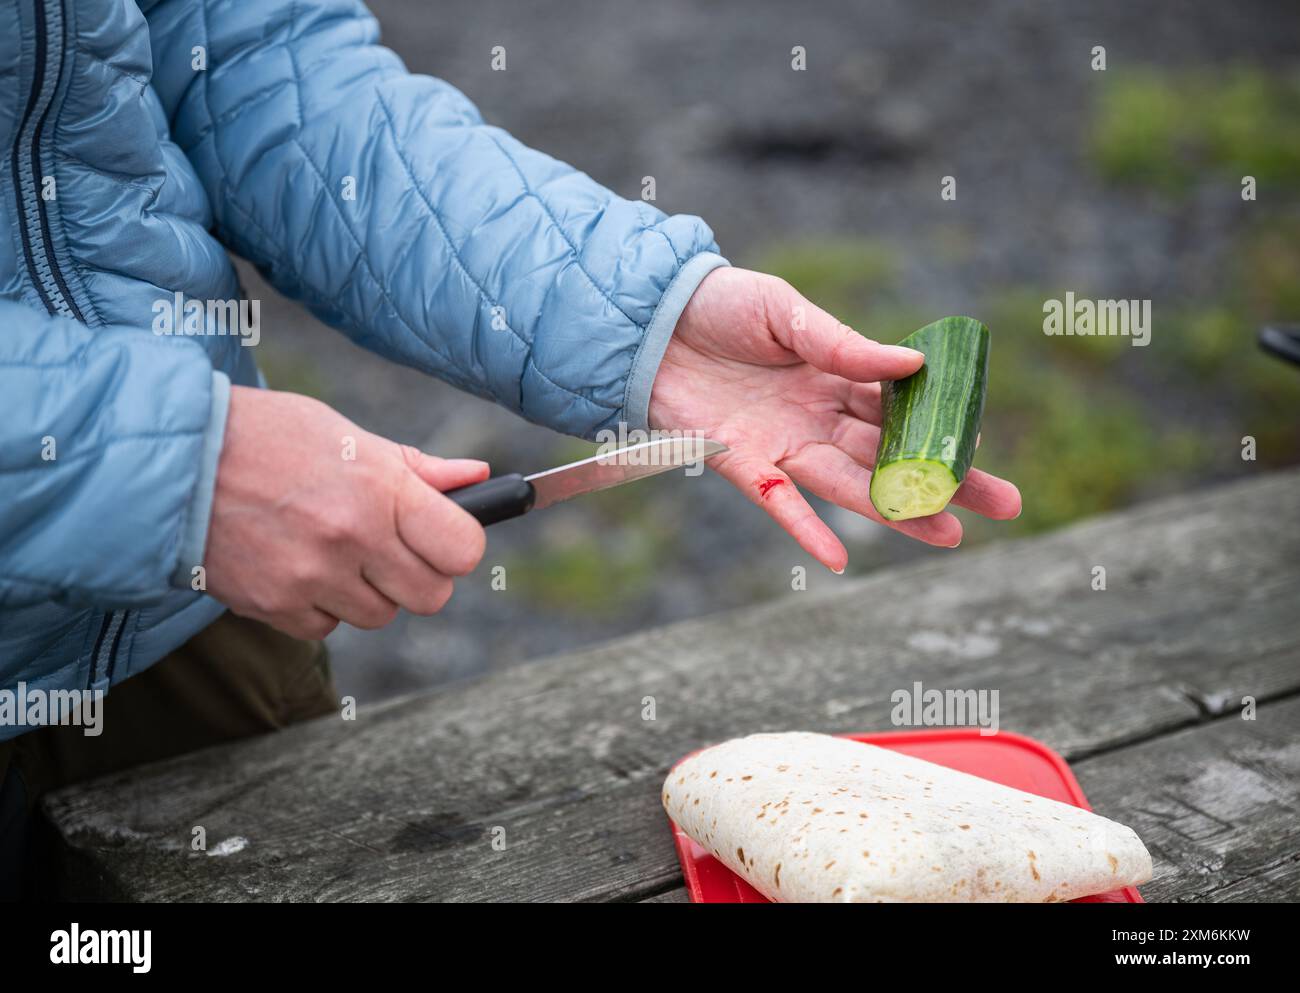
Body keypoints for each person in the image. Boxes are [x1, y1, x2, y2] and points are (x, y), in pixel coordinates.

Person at [0, 0, 1020, 894]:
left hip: (175, 620)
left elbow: (260, 60)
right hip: (193, 523)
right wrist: (170, 461)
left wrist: (650, 322)